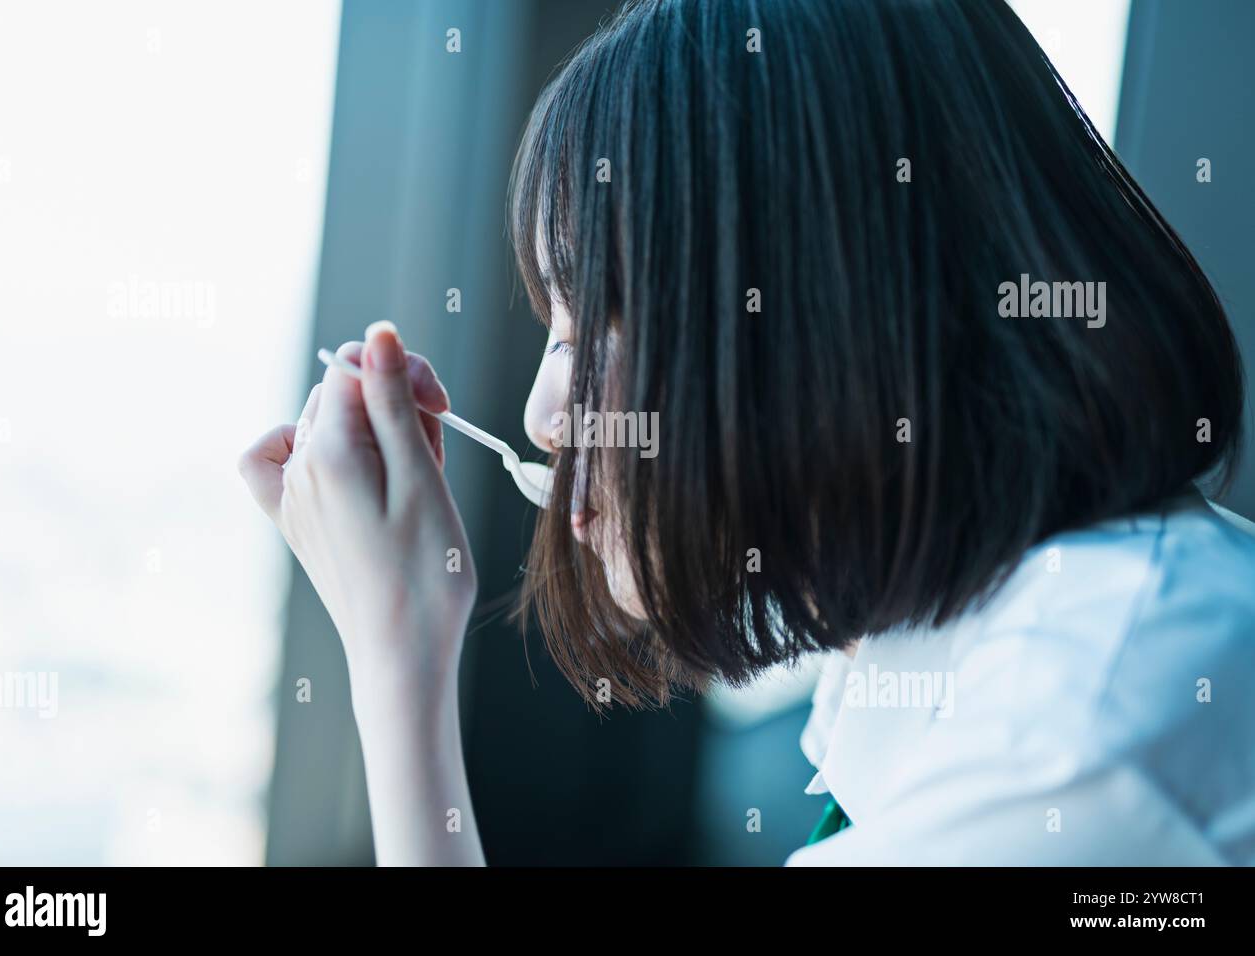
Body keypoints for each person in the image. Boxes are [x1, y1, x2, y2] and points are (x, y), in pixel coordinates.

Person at [238, 0, 1255, 865]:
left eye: (590, 314)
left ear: (821, 299)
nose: (545, 414)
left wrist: (395, 657)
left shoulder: (1079, 729)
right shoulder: (966, 680)